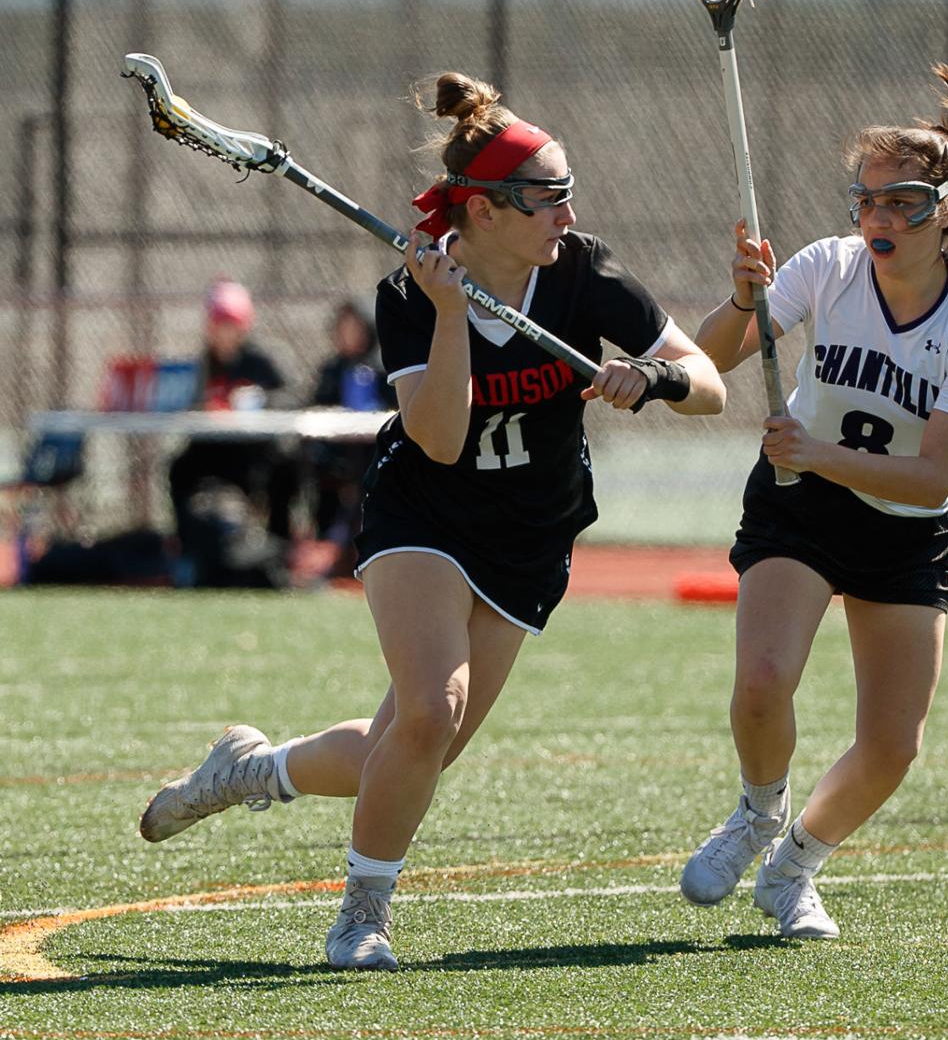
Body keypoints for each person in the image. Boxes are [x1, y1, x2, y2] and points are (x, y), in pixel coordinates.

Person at [138, 72, 726, 970]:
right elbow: (442, 439)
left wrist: (657, 377)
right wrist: (452, 313)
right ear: (484, 211)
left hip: (532, 531)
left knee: (413, 747)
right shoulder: (411, 292)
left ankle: (249, 771)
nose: (566, 216)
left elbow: (711, 387)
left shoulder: (585, 274)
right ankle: (360, 916)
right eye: (548, 199)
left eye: (570, 197)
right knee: (431, 708)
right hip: (426, 510)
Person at [679, 64, 948, 940]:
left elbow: (934, 476)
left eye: (901, 201)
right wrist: (744, 294)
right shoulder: (828, 269)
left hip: (905, 531)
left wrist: (819, 449)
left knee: (894, 744)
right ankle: (757, 811)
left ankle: (795, 865)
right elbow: (717, 359)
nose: (878, 220)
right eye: (865, 201)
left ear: (945, 207)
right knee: (761, 681)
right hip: (802, 507)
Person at [167, 279, 299, 586]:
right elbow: (192, 404)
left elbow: (292, 398)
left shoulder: (263, 359)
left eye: (231, 325)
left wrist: (259, 399)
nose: (224, 333)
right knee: (179, 468)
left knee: (287, 463)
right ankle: (187, 552)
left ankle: (280, 549)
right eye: (219, 325)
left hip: (255, 450)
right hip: (214, 448)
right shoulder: (204, 363)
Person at [305, 298, 389, 571]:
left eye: (353, 327)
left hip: (375, 449)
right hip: (336, 450)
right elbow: (316, 405)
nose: (347, 334)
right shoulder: (333, 368)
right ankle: (325, 545)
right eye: (342, 327)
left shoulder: (382, 365)